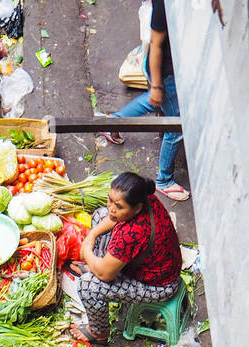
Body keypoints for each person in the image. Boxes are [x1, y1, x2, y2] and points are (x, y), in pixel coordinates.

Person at [72, 171, 182, 345]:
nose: (112, 208)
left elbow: (105, 276)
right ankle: (99, 264)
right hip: (158, 262)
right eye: (110, 200)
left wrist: (87, 251)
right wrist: (92, 235)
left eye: (119, 206)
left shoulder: (132, 234)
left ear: (136, 208)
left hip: (159, 285)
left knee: (88, 286)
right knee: (101, 216)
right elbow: (112, 218)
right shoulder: (146, 197)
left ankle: (98, 332)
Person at [100, 0, 189, 203]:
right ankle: (164, 180)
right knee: (175, 126)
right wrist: (157, 85)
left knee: (154, 101)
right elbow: (157, 44)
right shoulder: (166, 4)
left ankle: (113, 122)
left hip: (157, 68)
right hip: (164, 73)